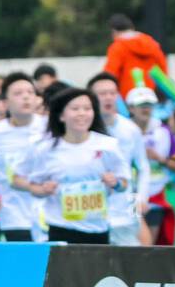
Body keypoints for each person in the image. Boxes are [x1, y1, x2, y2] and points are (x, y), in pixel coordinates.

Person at [13, 86, 129, 245]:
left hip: (98, 230)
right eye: (75, 109)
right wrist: (41, 190)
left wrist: (115, 183)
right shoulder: (45, 148)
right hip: (59, 229)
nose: (82, 113)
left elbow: (124, 184)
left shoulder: (108, 145)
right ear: (61, 116)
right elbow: (19, 181)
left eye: (87, 108)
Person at [0, 74, 45, 242]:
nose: (25, 97)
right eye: (18, 93)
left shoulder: (49, 127)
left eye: (30, 92)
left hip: (48, 213)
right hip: (13, 214)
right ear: (5, 103)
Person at [88, 72, 151, 246]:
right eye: (102, 94)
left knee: (137, 253)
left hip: (125, 207)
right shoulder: (83, 130)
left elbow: (143, 167)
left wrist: (142, 199)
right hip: (92, 210)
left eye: (112, 93)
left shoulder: (130, 129)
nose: (108, 98)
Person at [128, 86, 175, 244]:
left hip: (156, 195)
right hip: (128, 196)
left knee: (150, 244)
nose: (146, 109)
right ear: (131, 107)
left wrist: (160, 159)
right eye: (141, 105)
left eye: (149, 105)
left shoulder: (164, 131)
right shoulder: (122, 130)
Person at [103, 13, 167, 93]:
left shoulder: (117, 47)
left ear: (114, 32)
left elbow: (110, 74)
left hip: (128, 95)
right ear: (132, 28)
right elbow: (163, 71)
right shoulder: (152, 44)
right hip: (152, 94)